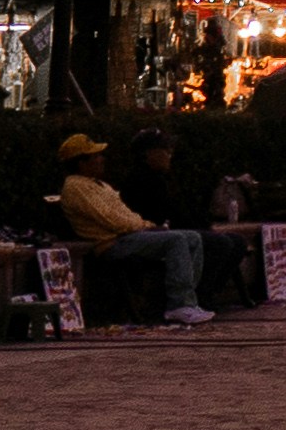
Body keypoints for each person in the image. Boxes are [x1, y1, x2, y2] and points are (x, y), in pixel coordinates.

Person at [57, 132, 216, 326]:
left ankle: (189, 300)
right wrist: (144, 227)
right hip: (112, 243)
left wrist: (148, 227)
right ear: (81, 162)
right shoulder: (75, 187)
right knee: (177, 240)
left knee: (193, 238)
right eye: (95, 156)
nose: (101, 159)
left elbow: (125, 213)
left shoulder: (100, 185)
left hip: (128, 236)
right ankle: (179, 304)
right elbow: (109, 219)